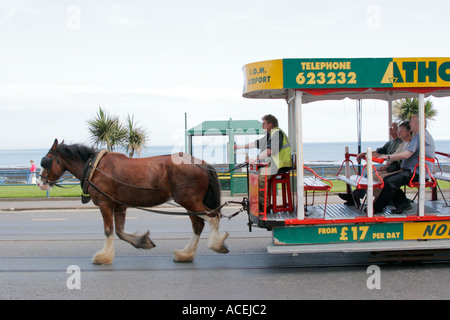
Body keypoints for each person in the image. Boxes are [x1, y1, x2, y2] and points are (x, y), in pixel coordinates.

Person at [374, 115, 435, 214]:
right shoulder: (420, 136)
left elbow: (407, 154)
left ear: (417, 124)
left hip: (417, 173)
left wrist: (387, 157)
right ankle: (402, 203)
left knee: (390, 181)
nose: (410, 124)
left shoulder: (420, 136)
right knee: (389, 180)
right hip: (413, 171)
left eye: (411, 122)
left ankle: (377, 208)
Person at [234, 114, 292, 210]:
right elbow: (256, 143)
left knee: (260, 179)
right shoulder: (270, 134)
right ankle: (259, 203)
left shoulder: (277, 133)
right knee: (255, 175)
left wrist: (254, 159)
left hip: (281, 165)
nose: (262, 126)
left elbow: (270, 151)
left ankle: (265, 206)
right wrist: (240, 147)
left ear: (271, 124)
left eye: (264, 123)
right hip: (274, 164)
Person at [338, 122, 402, 205]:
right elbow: (380, 151)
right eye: (389, 127)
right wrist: (364, 153)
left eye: (392, 128)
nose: (389, 129)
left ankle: (357, 198)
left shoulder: (400, 143)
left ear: (398, 130)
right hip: (388, 168)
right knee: (367, 176)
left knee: (372, 178)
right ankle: (355, 196)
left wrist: (385, 164)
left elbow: (395, 156)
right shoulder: (390, 142)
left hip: (394, 168)